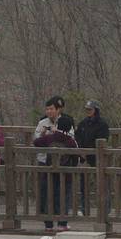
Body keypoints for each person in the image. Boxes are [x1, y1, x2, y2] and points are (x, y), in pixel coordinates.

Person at [33, 96, 78, 230]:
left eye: (51, 109)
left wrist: (51, 134)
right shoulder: (42, 122)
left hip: (62, 165)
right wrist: (43, 134)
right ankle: (52, 222)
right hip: (46, 163)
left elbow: (70, 137)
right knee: (46, 193)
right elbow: (36, 140)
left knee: (60, 193)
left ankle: (57, 222)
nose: (49, 111)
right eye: (47, 109)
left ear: (58, 109)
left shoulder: (65, 121)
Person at [75, 99, 110, 215]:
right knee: (83, 184)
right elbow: (77, 137)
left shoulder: (102, 124)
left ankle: (105, 209)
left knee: (102, 184)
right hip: (84, 158)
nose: (88, 111)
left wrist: (89, 151)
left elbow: (102, 139)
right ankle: (84, 209)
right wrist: (81, 152)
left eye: (90, 109)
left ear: (96, 110)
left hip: (98, 158)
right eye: (87, 109)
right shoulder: (83, 123)